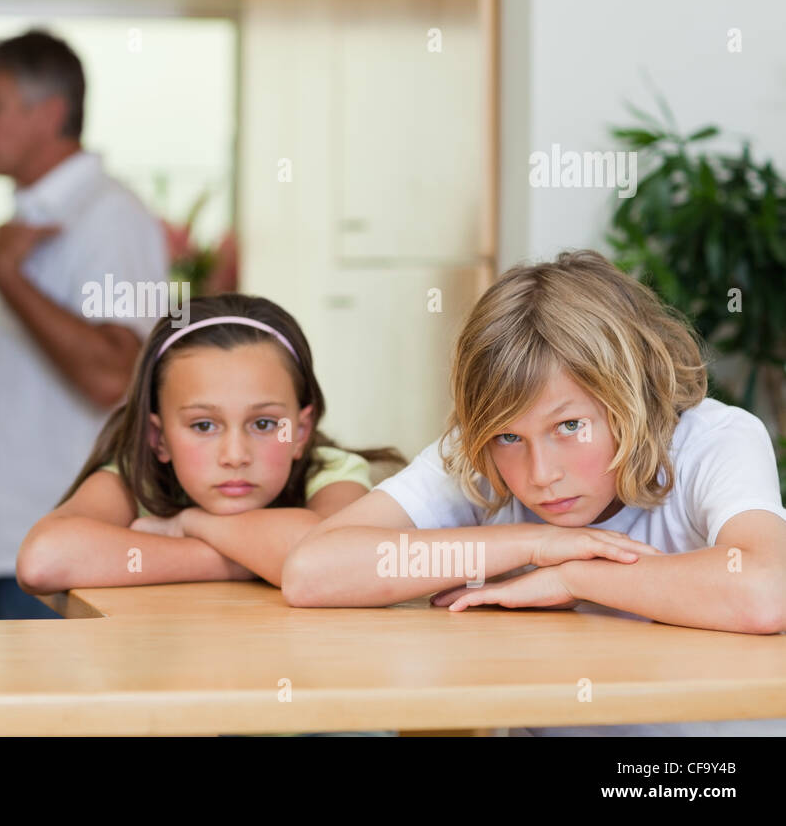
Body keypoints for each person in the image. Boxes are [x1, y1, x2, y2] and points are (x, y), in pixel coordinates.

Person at [284, 249, 786, 735]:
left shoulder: (713, 441)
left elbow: (766, 593)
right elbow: (313, 572)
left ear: (633, 395)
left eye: (569, 425)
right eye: (509, 437)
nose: (540, 473)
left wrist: (573, 579)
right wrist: (533, 544)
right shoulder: (476, 453)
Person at [0, 29, 168, 620]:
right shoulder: (29, 219)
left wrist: (8, 277)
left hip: (58, 553)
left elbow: (114, 373)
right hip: (1, 543)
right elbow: (14, 362)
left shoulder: (109, 218)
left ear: (50, 113)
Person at [17, 293, 404, 592]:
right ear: (159, 438)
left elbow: (339, 560)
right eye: (203, 426)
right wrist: (249, 560)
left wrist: (189, 522)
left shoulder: (331, 470)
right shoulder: (137, 478)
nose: (235, 456)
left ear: (300, 433)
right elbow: (43, 561)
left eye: (264, 423)